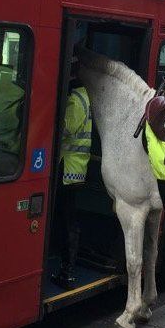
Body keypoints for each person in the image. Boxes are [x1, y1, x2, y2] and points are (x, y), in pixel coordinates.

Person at [52, 71, 93, 289]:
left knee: (67, 220)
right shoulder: (80, 95)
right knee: (64, 217)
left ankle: (67, 272)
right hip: (68, 167)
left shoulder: (77, 99)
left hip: (69, 169)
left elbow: (65, 128)